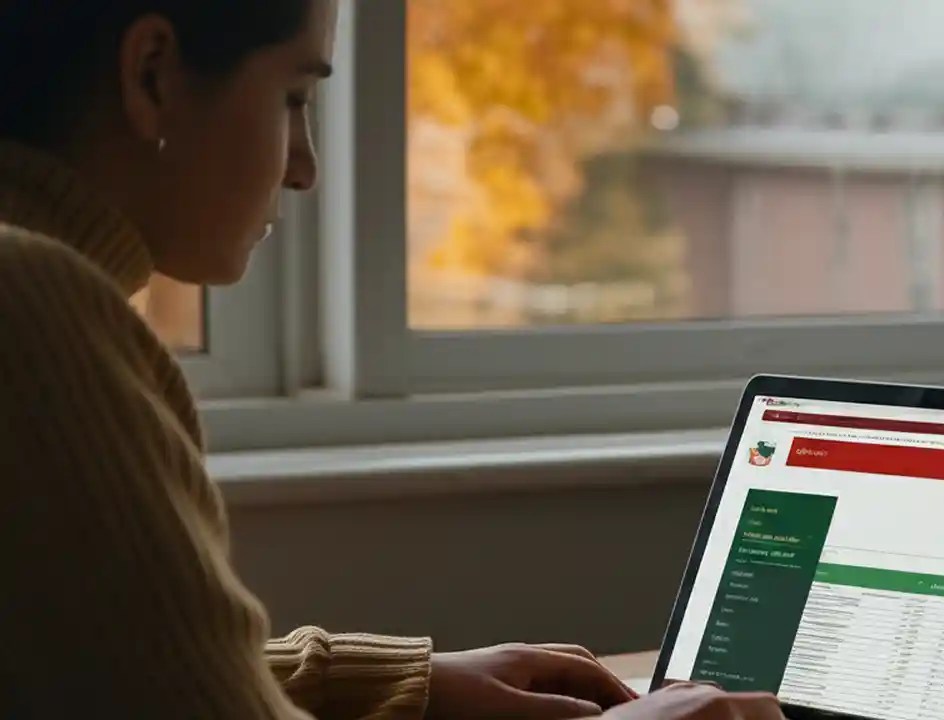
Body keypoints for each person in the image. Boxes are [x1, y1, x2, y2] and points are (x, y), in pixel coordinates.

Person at [0, 1, 787, 719]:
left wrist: (409, 684)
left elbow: (116, 671)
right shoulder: (33, 312)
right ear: (153, 76)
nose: (304, 167)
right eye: (293, 98)